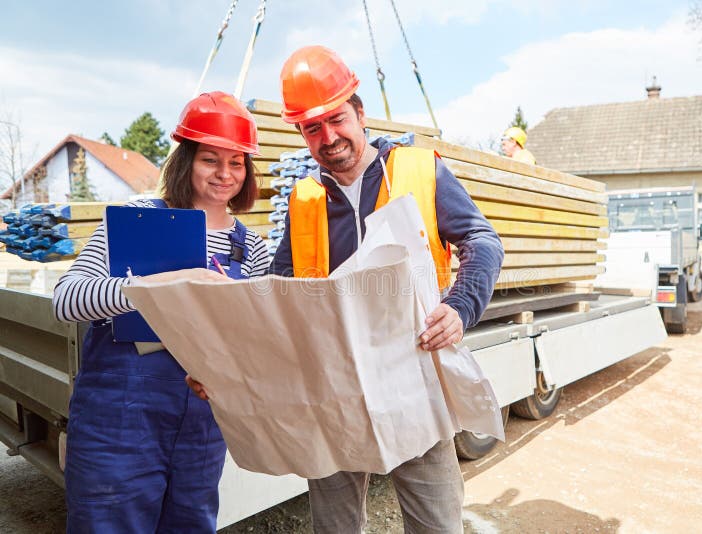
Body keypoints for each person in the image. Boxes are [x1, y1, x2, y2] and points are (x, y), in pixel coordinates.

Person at [269, 44, 503, 533]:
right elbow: (275, 295)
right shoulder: (304, 199)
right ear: (301, 134)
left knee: (436, 523)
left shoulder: (420, 170)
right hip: (333, 389)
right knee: (334, 528)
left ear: (359, 112)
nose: (328, 137)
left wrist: (461, 306)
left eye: (336, 119)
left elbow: (481, 239)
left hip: (412, 378)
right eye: (312, 128)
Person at [53, 91, 270, 533]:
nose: (224, 174)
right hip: (119, 420)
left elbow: (262, 337)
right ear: (186, 159)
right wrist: (156, 285)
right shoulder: (137, 219)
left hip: (203, 425)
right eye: (211, 159)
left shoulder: (254, 251)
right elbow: (68, 298)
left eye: (236, 162)